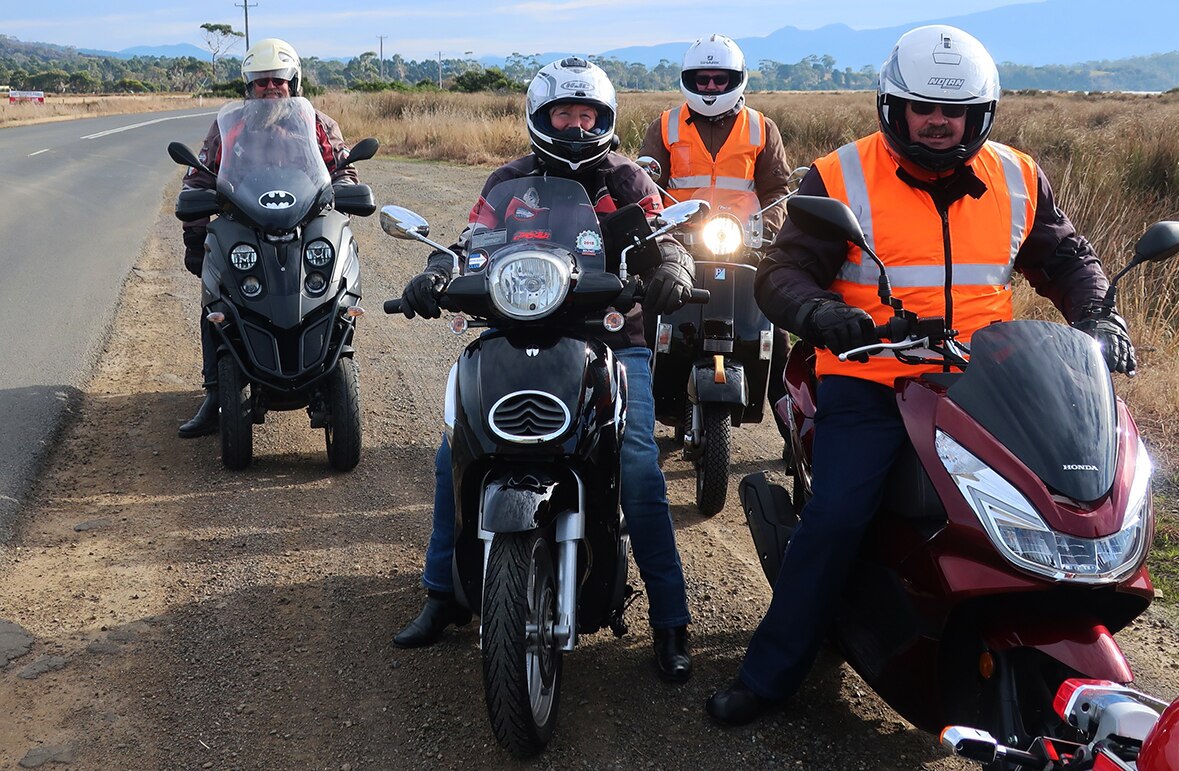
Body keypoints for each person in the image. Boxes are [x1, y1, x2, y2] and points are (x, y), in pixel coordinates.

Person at [706, 25, 1136, 725]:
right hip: (872, 376)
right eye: (923, 108)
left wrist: (1098, 315)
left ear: (980, 114)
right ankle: (770, 674)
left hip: (986, 379)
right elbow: (781, 273)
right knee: (840, 513)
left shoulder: (1019, 176)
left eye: (956, 111)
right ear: (894, 108)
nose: (939, 121)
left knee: (1060, 503)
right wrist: (822, 315)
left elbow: (1067, 258)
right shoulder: (842, 175)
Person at [391, 57, 696, 683]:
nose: (578, 124)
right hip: (517, 328)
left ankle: (670, 620)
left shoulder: (629, 182)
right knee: (458, 451)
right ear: (541, 117)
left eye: (588, 114)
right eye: (565, 113)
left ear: (606, 118)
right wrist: (437, 275)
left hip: (612, 337)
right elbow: (470, 242)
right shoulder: (511, 182)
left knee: (637, 463)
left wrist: (673, 270)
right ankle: (441, 595)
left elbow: (669, 238)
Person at [177, 37, 358, 438]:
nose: (270, 88)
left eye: (278, 81)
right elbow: (200, 177)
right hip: (244, 222)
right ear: (248, 86)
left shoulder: (319, 124)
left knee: (332, 286)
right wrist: (195, 237)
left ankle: (333, 359)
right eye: (261, 82)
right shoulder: (230, 126)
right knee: (218, 290)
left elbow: (344, 170)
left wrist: (344, 191)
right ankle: (214, 390)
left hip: (306, 220)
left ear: (294, 82)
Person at [637, 33, 794, 444]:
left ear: (736, 80)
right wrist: (659, 223)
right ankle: (632, 420)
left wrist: (765, 228)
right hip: (679, 243)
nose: (709, 87)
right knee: (647, 318)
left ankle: (795, 437)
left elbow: (778, 189)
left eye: (719, 79)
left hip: (745, 243)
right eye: (701, 79)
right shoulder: (665, 125)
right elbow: (645, 185)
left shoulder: (762, 128)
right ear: (689, 79)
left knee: (774, 333)